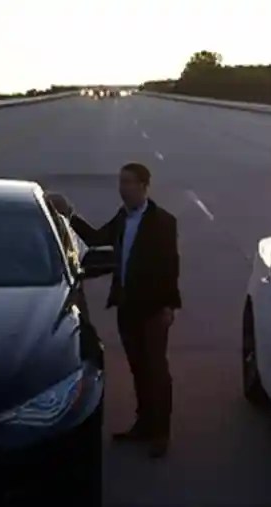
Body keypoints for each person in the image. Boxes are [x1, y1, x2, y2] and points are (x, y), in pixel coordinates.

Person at [45, 164, 181, 458]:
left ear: (145, 186)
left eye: (129, 182)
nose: (123, 187)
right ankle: (143, 424)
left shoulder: (163, 222)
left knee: (157, 371)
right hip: (127, 307)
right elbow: (95, 239)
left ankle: (161, 432)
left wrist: (169, 306)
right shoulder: (122, 219)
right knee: (138, 368)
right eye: (121, 182)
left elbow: (171, 268)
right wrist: (68, 213)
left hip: (154, 309)